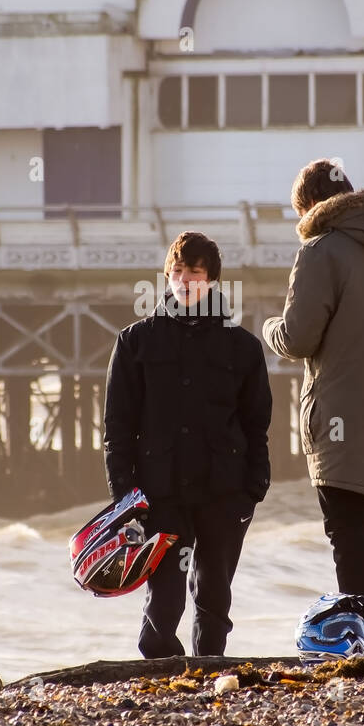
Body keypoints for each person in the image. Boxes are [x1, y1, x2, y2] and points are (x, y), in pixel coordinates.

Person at [262, 159, 364, 653]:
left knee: (345, 527)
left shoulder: (320, 252)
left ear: (308, 206)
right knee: (362, 523)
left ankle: (361, 641)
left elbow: (297, 337)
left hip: (339, 412)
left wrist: (269, 327)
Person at [103, 232, 272, 658]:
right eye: (177, 271)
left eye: (195, 271)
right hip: (162, 489)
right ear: (166, 275)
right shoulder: (136, 341)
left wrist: (254, 487)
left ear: (212, 279)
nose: (185, 280)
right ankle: (163, 660)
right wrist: (124, 494)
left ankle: (208, 669)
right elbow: (117, 427)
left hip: (224, 489)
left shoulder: (242, 346)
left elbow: (257, 424)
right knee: (165, 598)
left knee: (214, 594)